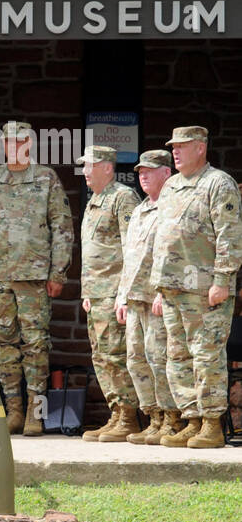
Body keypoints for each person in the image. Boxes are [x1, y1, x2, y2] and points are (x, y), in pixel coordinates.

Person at [0, 121, 73, 436]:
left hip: (35, 277)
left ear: (29, 144)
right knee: (3, 344)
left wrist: (58, 272)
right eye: (8, 142)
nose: (13, 147)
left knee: (36, 344)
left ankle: (35, 414)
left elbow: (62, 228)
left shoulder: (46, 179)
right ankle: (14, 410)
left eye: (19, 142)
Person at [150, 126, 242, 448]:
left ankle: (212, 424)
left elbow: (229, 236)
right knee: (177, 356)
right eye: (173, 146)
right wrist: (159, 286)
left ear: (200, 148)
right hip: (172, 287)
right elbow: (163, 237)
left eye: (182, 146)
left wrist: (222, 280)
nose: (175, 151)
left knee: (206, 356)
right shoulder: (172, 185)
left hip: (204, 289)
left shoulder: (218, 183)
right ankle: (192, 419)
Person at [76, 145, 140, 442]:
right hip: (97, 292)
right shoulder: (94, 201)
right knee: (101, 356)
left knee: (115, 354)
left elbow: (132, 248)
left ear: (107, 167)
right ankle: (115, 413)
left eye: (90, 166)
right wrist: (87, 290)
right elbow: (92, 251)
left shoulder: (123, 198)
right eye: (84, 166)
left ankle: (128, 416)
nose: (85, 172)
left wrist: (124, 293)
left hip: (114, 291)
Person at [117, 151, 179, 445]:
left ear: (166, 173)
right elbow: (129, 258)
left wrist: (162, 291)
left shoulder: (172, 206)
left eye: (150, 171)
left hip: (156, 296)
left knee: (159, 359)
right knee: (135, 360)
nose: (143, 176)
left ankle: (171, 418)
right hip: (134, 298)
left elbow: (172, 253)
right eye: (140, 171)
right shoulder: (141, 210)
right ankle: (153, 418)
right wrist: (121, 296)